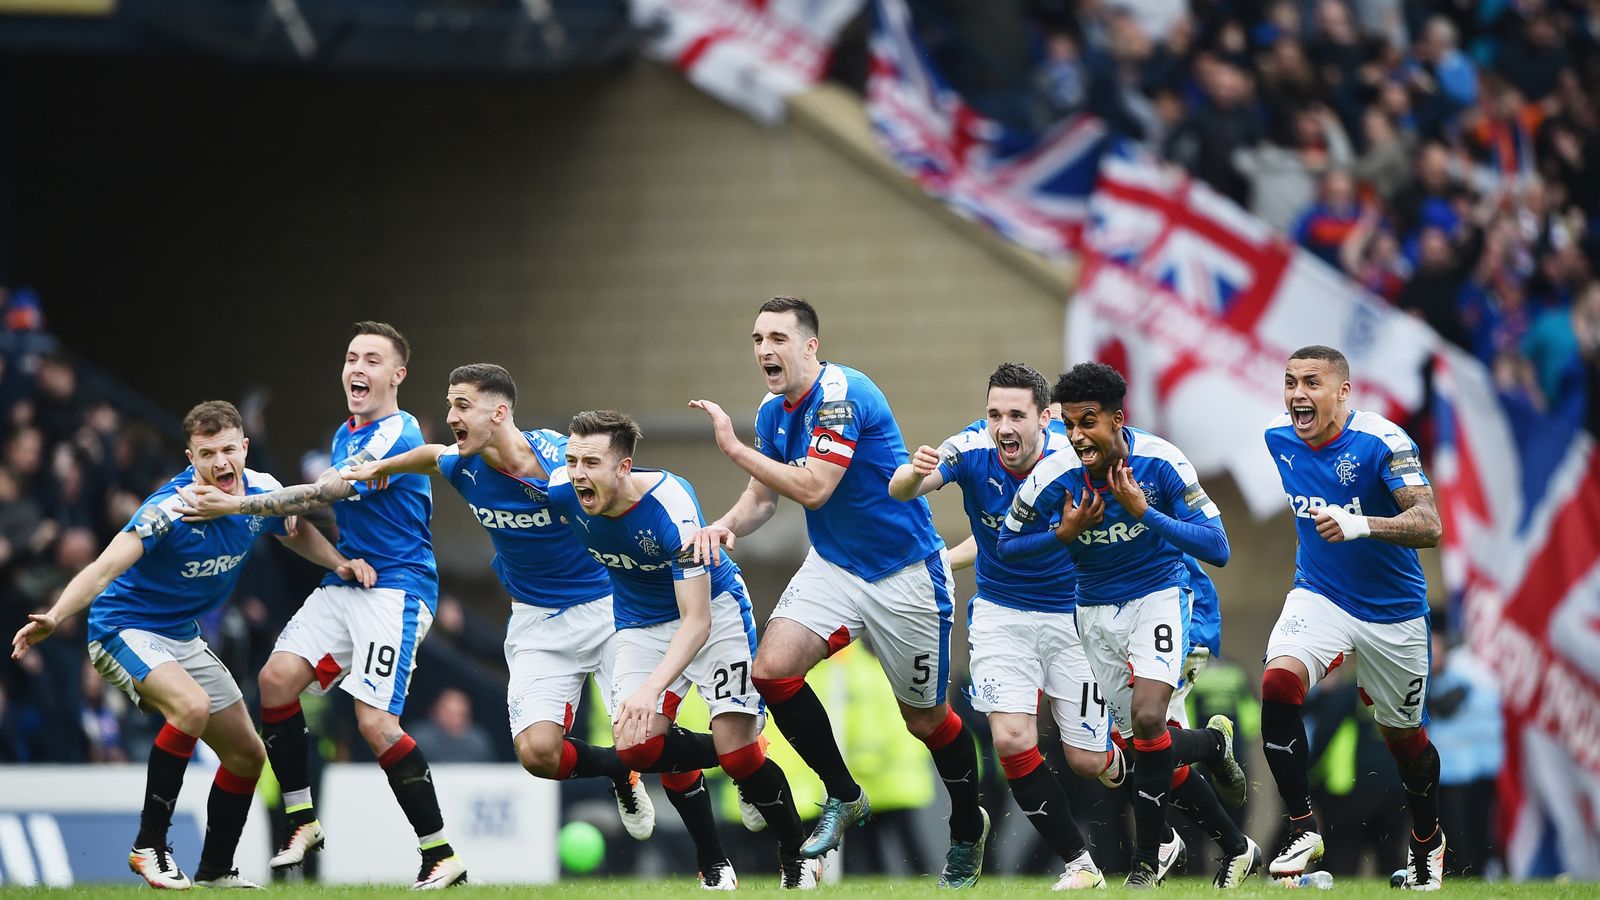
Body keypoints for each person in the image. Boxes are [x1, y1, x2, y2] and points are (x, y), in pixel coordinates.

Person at [10, 400, 375, 889]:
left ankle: (214, 871)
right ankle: (148, 847)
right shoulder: (169, 509)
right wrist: (56, 615)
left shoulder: (261, 492)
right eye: (208, 454)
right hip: (124, 628)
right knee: (192, 706)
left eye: (228, 449)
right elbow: (102, 568)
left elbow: (292, 530)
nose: (221, 462)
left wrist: (338, 564)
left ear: (244, 448)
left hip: (182, 636)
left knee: (248, 755)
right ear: (191, 458)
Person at [688, 297, 988, 887]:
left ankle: (966, 827)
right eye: (756, 339)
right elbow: (763, 499)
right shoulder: (774, 411)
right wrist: (725, 525)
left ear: (810, 347)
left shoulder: (842, 396)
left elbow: (815, 488)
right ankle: (843, 794)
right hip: (834, 567)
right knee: (771, 671)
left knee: (925, 722)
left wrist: (733, 448)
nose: (765, 350)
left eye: (778, 337)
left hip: (904, 573)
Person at [177, 322, 465, 888]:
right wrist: (340, 560)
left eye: (373, 360)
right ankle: (303, 819)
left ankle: (440, 854)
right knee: (276, 680)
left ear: (397, 375)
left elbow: (326, 495)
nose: (358, 368)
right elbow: (337, 510)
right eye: (352, 357)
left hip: (397, 591)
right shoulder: (346, 433)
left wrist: (236, 504)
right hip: (354, 583)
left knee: (375, 723)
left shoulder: (396, 434)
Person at [340, 363, 656, 838]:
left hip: (604, 607)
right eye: (450, 404)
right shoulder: (463, 465)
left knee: (644, 740)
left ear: (500, 412)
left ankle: (718, 826)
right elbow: (430, 455)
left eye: (461, 405)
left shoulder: (556, 465)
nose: (451, 415)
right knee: (538, 755)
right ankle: (617, 771)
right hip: (535, 619)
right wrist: (379, 468)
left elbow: (621, 490)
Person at [997, 362, 1260, 889]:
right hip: (1092, 612)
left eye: (1088, 422)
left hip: (1160, 598)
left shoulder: (1161, 463)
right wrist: (1063, 535)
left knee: (1147, 721)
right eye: (1068, 424)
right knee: (1148, 748)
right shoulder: (1052, 474)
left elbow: (1220, 548)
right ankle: (1231, 825)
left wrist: (1147, 514)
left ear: (1119, 419)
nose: (1076, 436)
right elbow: (1005, 547)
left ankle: (1145, 863)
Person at [545, 410, 814, 890]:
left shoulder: (671, 507)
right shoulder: (563, 491)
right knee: (639, 749)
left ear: (623, 468)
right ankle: (714, 863)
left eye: (590, 462)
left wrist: (652, 688)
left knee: (739, 759)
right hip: (639, 625)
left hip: (713, 616)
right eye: (571, 461)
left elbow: (697, 621)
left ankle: (797, 855)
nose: (578, 473)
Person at [888, 362, 1106, 890]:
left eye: (1015, 415)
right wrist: (916, 472)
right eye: (993, 414)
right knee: (1010, 740)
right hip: (1000, 614)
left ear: (1045, 417)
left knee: (1088, 760)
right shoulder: (970, 449)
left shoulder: (1072, 458)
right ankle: (1081, 866)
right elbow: (901, 491)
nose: (1003, 426)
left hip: (1072, 615)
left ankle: (1190, 754)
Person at [1261, 344, 1446, 891]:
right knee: (1278, 681)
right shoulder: (1278, 437)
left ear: (1344, 392)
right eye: (1291, 382)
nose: (1298, 394)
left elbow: (1430, 524)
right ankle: (1300, 827)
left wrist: (1361, 522)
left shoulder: (1383, 441)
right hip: (1319, 593)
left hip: (1394, 614)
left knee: (1405, 742)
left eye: (1312, 383)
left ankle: (1427, 840)